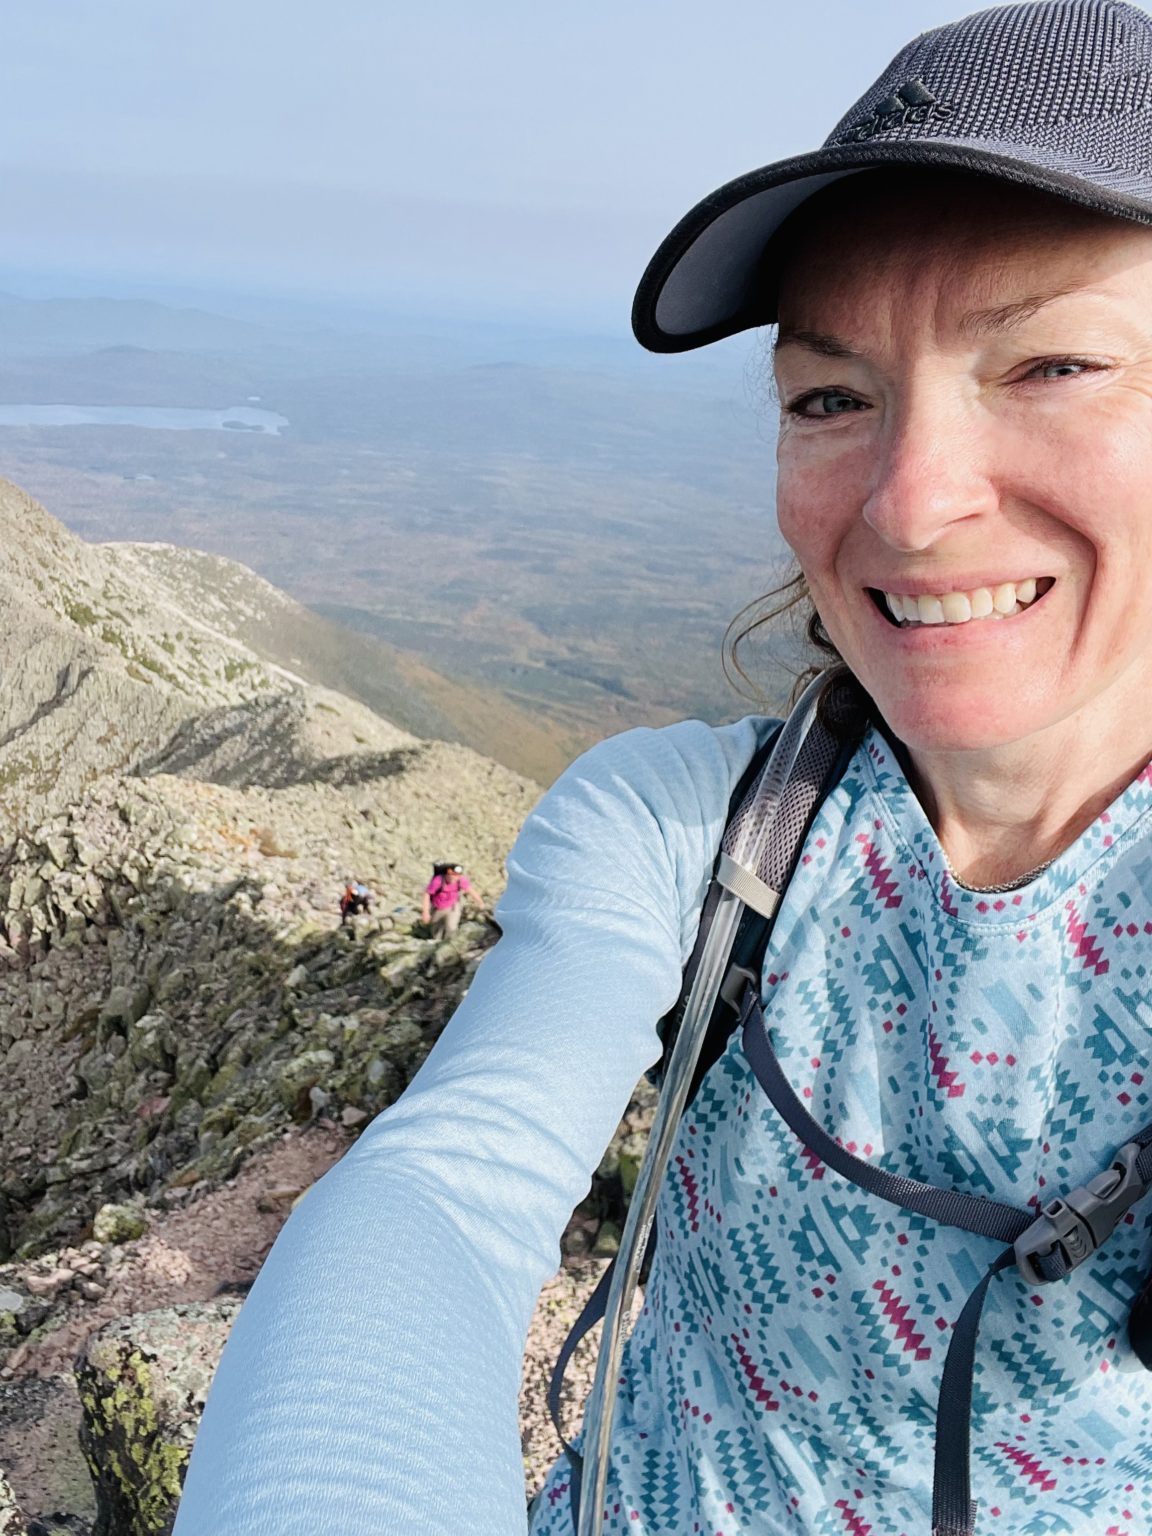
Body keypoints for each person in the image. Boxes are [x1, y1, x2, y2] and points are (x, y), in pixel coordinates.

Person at [172, 4, 1152, 1533]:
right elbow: (444, 1195)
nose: (910, 505)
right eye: (830, 396)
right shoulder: (696, 832)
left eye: (1051, 365)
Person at [421, 862, 481, 937]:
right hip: (438, 908)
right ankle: (436, 941)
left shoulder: (461, 880)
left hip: (453, 906)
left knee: (451, 927)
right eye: (452, 875)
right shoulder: (438, 880)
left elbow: (470, 890)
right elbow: (427, 894)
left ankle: (448, 943)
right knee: (436, 930)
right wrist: (425, 912)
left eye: (457, 876)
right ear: (446, 874)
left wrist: (480, 902)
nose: (454, 878)